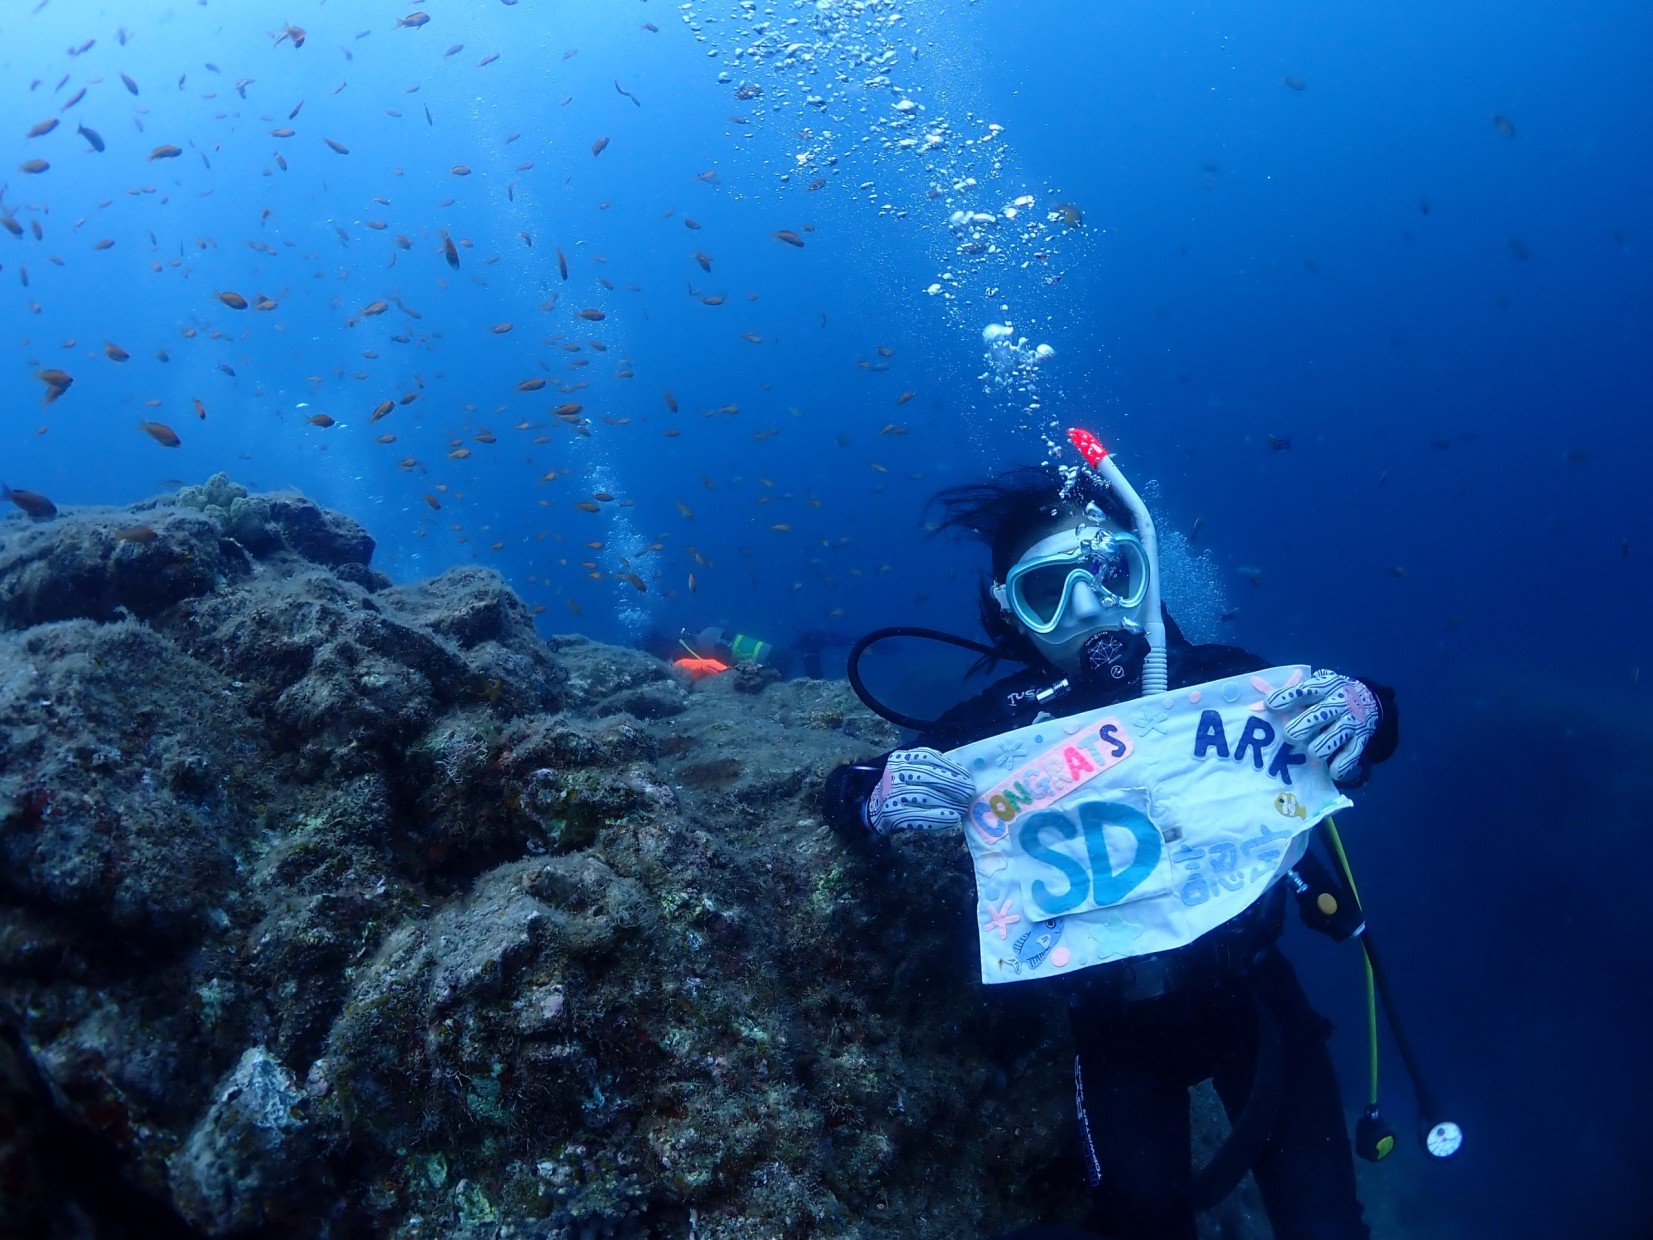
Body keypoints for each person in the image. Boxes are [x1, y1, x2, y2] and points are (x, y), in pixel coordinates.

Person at [822, 454, 1397, 1240]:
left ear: (1144, 573)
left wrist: (1362, 709)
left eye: (1109, 574)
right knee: (1142, 1224)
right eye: (1048, 591)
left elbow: (1353, 725)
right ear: (1008, 610)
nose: (1089, 607)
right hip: (1114, 1026)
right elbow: (852, 786)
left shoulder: (1219, 682)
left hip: (1253, 995)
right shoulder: (1003, 725)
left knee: (1324, 1225)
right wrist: (875, 797)